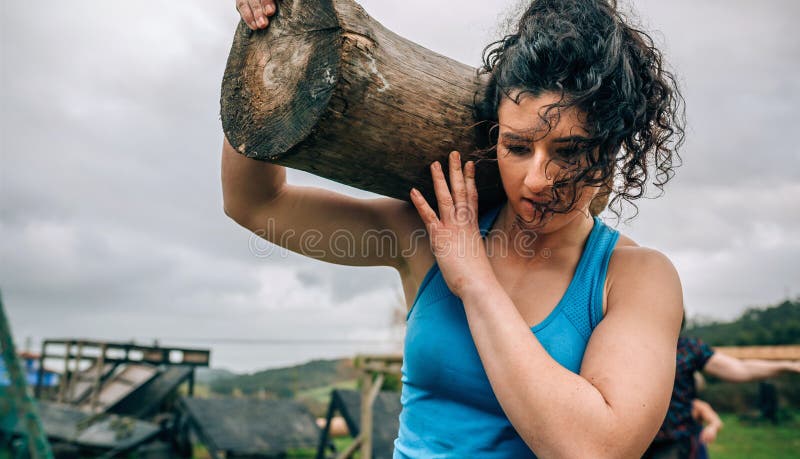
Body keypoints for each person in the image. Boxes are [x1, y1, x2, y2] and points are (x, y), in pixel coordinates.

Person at [226, 0, 687, 456]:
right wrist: (262, 37)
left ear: (610, 149)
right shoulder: (431, 232)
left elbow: (594, 449)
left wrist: (475, 282)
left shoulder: (635, 278)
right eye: (518, 147)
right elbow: (256, 204)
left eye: (568, 151)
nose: (536, 179)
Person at [644, 334, 800, 458]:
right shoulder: (628, 345)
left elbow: (740, 368)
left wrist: (789, 365)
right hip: (631, 438)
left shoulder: (688, 348)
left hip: (674, 442)